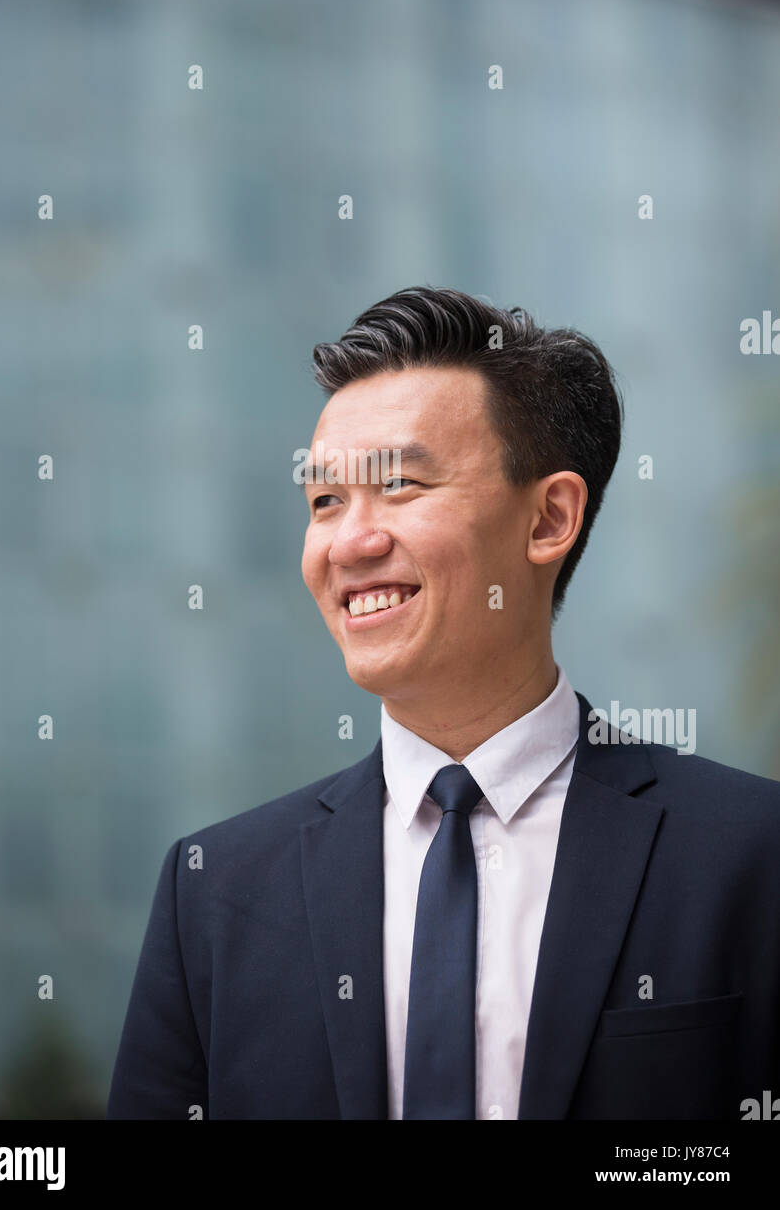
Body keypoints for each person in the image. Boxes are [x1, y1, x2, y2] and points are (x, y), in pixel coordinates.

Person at [107, 287, 780, 1120]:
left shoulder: (750, 855)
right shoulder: (214, 893)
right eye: (324, 501)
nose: (350, 543)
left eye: (399, 486)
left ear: (549, 518)